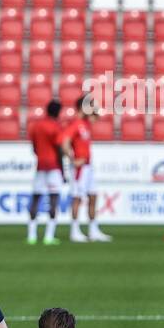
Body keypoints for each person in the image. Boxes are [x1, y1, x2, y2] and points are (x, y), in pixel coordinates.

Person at [60, 94, 111, 243]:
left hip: (89, 166)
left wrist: (94, 109)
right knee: (77, 198)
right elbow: (65, 142)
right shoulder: (75, 124)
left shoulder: (85, 123)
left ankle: (93, 230)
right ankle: (74, 231)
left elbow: (97, 117)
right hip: (80, 168)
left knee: (93, 196)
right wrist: (72, 159)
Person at [26, 99, 65, 245]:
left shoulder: (36, 126)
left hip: (40, 166)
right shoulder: (56, 127)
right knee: (53, 200)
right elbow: (59, 149)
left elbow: (34, 147)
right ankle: (49, 236)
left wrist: (41, 156)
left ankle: (31, 236)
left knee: (36, 199)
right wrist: (63, 170)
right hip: (54, 166)